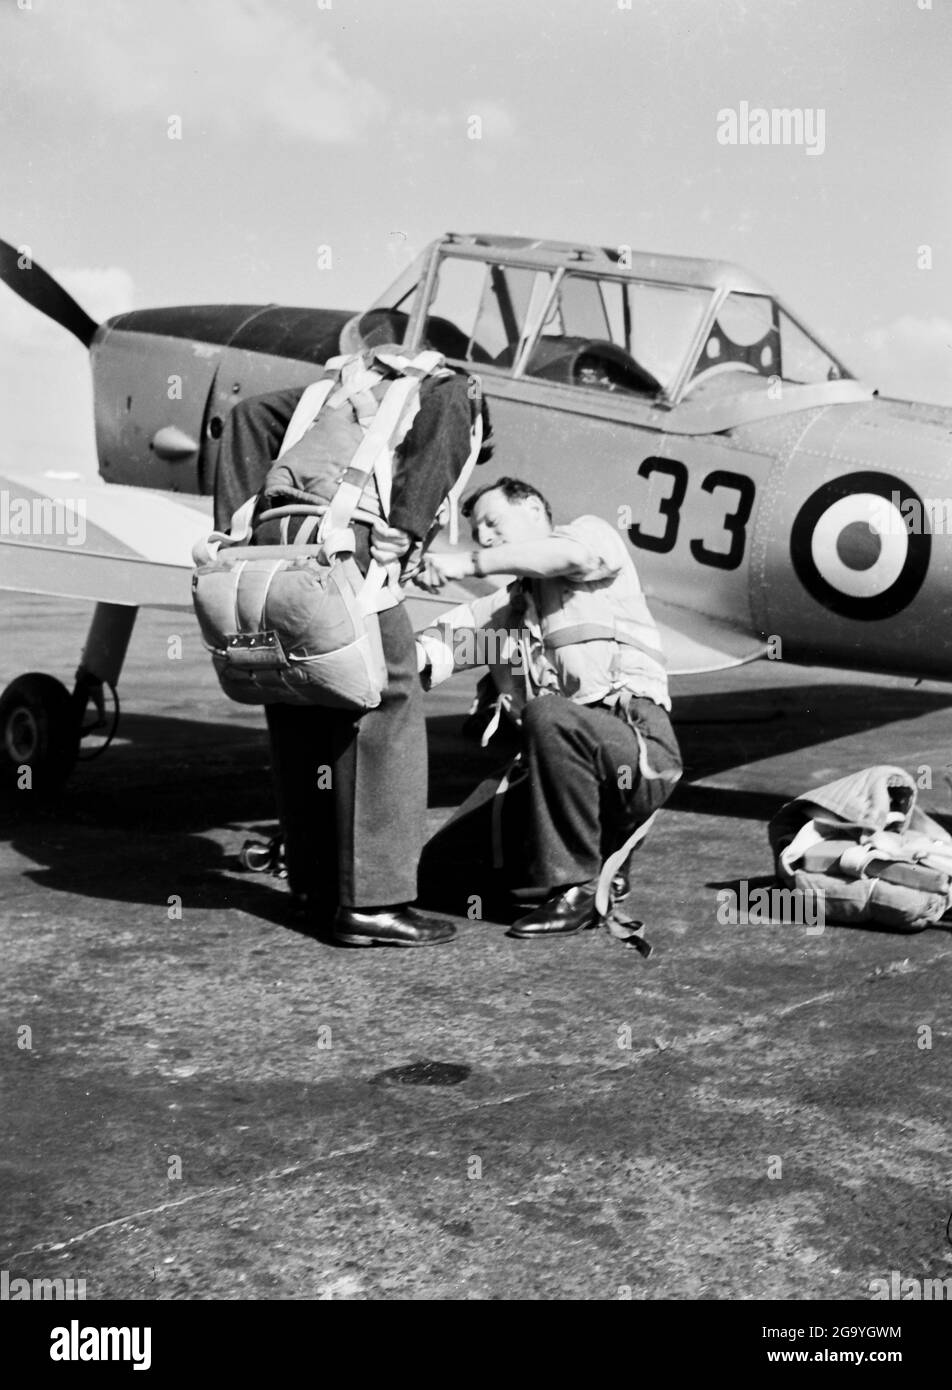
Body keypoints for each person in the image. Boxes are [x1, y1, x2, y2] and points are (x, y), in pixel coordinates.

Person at [214, 353, 489, 947]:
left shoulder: (329, 392)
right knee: (385, 702)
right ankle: (372, 903)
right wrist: (410, 526)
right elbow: (445, 425)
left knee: (297, 692)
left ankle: (315, 890)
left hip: (273, 544)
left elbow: (245, 416)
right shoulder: (452, 386)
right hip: (349, 544)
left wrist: (230, 535)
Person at [414, 477, 682, 938]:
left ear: (535, 509)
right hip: (557, 768)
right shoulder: (506, 612)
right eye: (478, 533)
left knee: (548, 713)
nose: (485, 537)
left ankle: (578, 889)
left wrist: (468, 562)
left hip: (637, 749)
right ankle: (592, 865)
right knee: (435, 875)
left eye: (493, 522)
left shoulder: (592, 541)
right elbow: (432, 650)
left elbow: (570, 557)